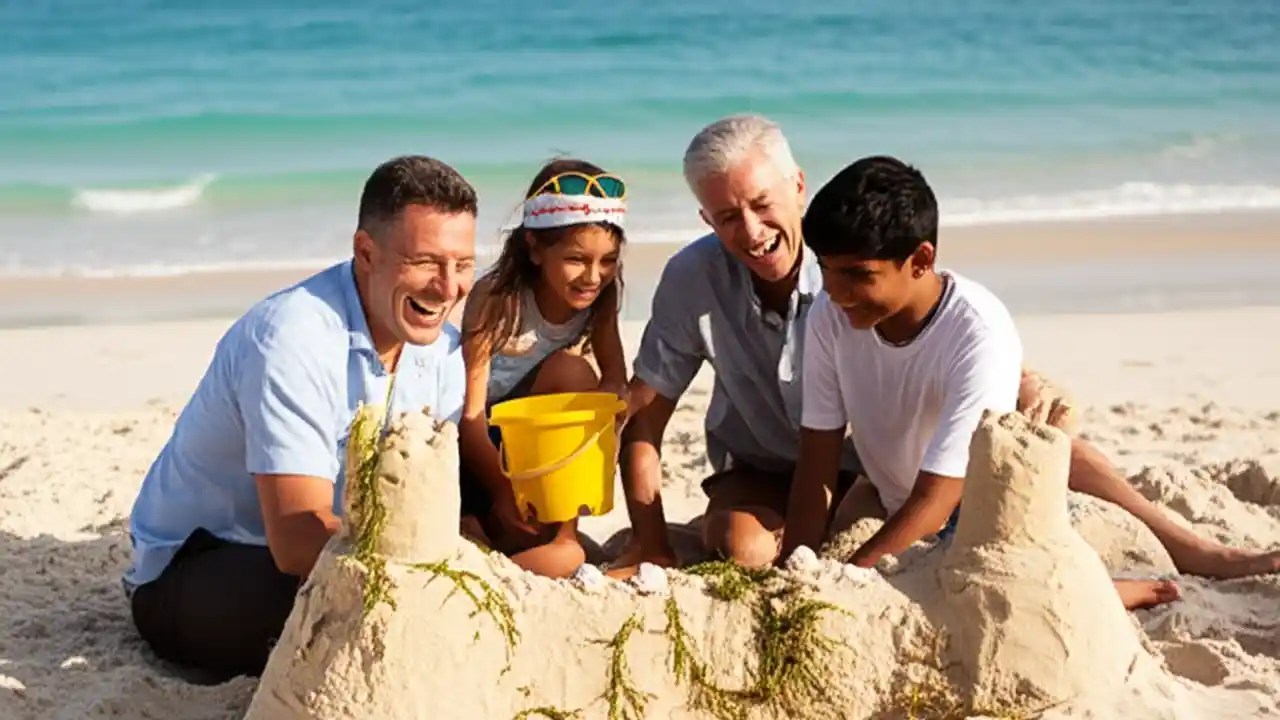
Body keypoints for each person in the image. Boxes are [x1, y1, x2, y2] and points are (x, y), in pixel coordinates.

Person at [614, 113, 1280, 591]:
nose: (752, 231)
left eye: (762, 203)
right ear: (706, 220)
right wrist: (649, 538)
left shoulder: (859, 261)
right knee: (740, 549)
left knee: (1030, 432)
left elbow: (936, 332)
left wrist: (1020, 387)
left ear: (797, 187)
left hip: (887, 458)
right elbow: (648, 417)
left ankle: (1198, 551)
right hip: (776, 466)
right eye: (728, 217)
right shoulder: (704, 279)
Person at [124, 155, 477, 680]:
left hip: (326, 544)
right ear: (366, 252)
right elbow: (295, 540)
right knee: (365, 609)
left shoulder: (442, 346)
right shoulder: (292, 337)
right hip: (200, 564)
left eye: (463, 264)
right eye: (426, 261)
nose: (448, 288)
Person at [458, 158, 629, 578]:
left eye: (608, 260)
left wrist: (607, 440)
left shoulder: (601, 298)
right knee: (574, 376)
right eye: (577, 258)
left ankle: (559, 532)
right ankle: (494, 535)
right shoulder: (498, 299)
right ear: (534, 246)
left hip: (532, 451)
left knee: (579, 379)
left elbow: (615, 382)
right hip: (474, 450)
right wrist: (502, 490)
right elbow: (469, 416)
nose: (594, 276)